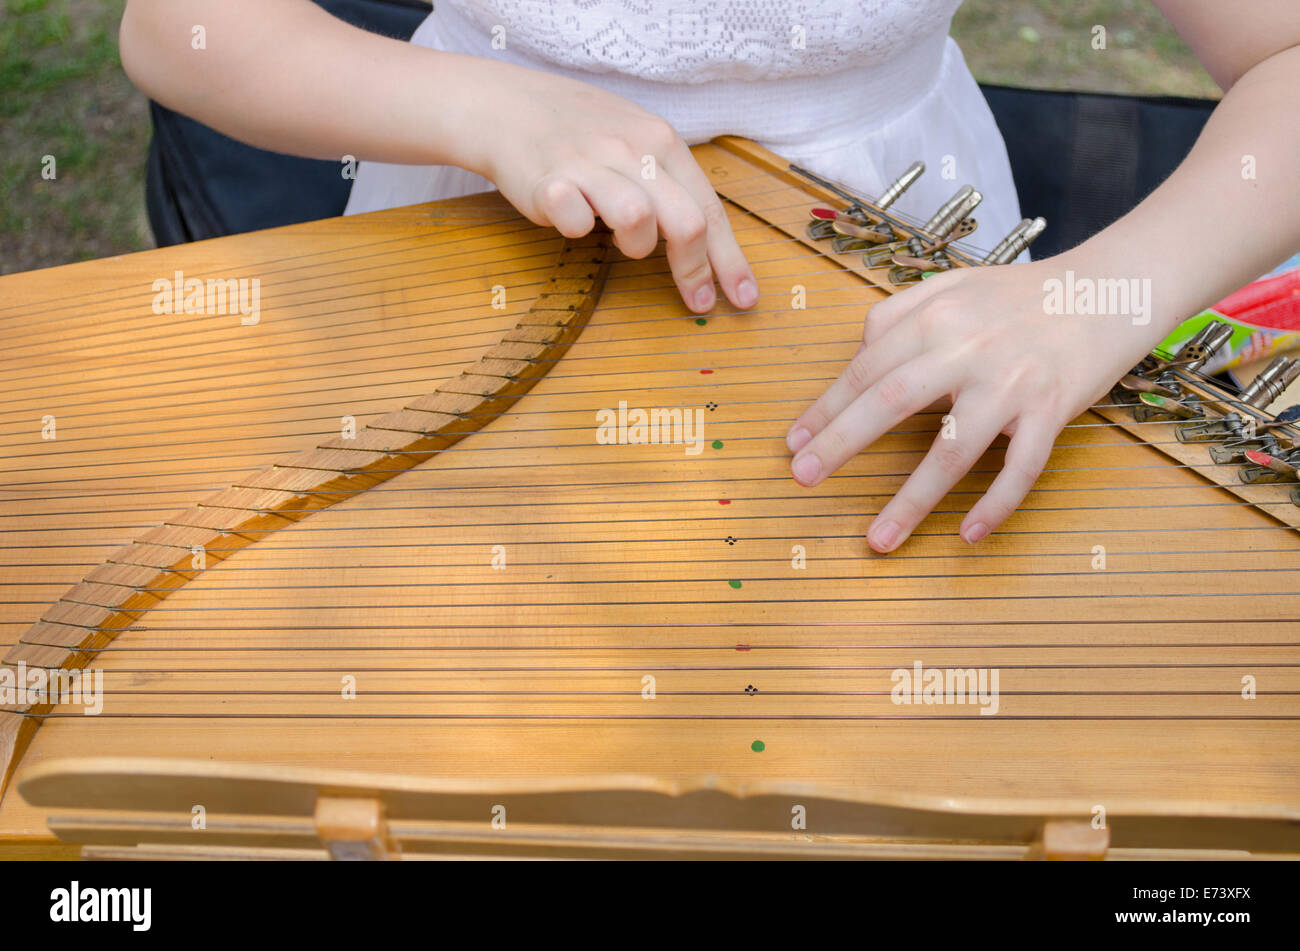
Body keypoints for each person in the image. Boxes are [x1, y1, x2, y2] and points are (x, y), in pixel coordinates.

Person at [120, 0, 1300, 552]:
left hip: (897, 302)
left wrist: (1094, 297)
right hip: (483, 236)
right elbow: (184, 26)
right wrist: (485, 106)